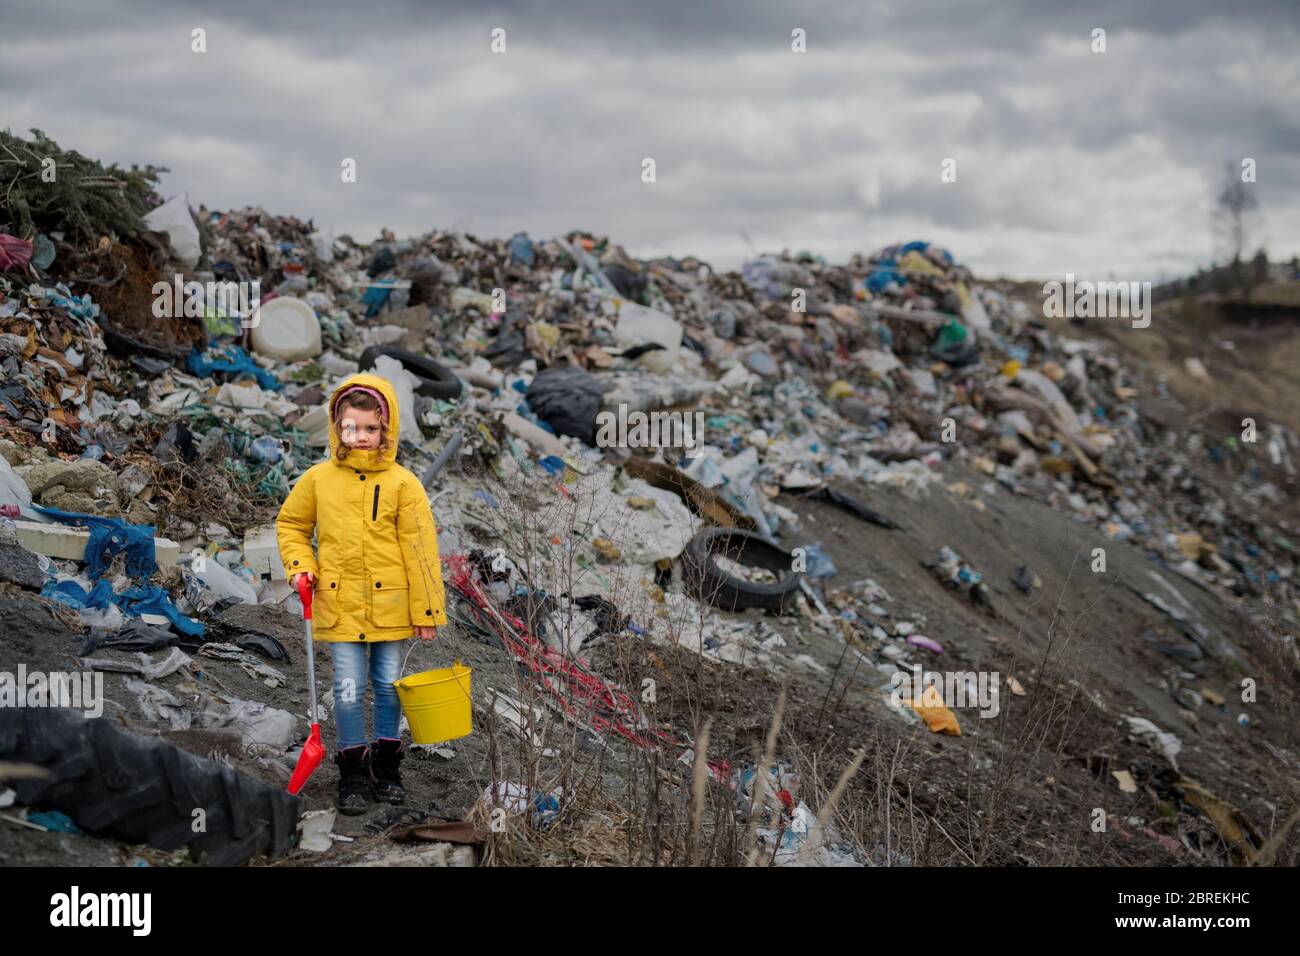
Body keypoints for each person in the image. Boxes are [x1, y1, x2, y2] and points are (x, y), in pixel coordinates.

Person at [276, 374, 447, 814]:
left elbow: (421, 550)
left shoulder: (404, 484)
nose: (362, 437)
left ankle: (388, 770)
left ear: (385, 429)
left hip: (392, 606)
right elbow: (292, 525)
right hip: (340, 604)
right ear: (337, 428)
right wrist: (302, 567)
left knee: (389, 688)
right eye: (351, 428)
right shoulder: (319, 479)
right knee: (348, 689)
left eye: (371, 429)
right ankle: (353, 773)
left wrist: (426, 610)